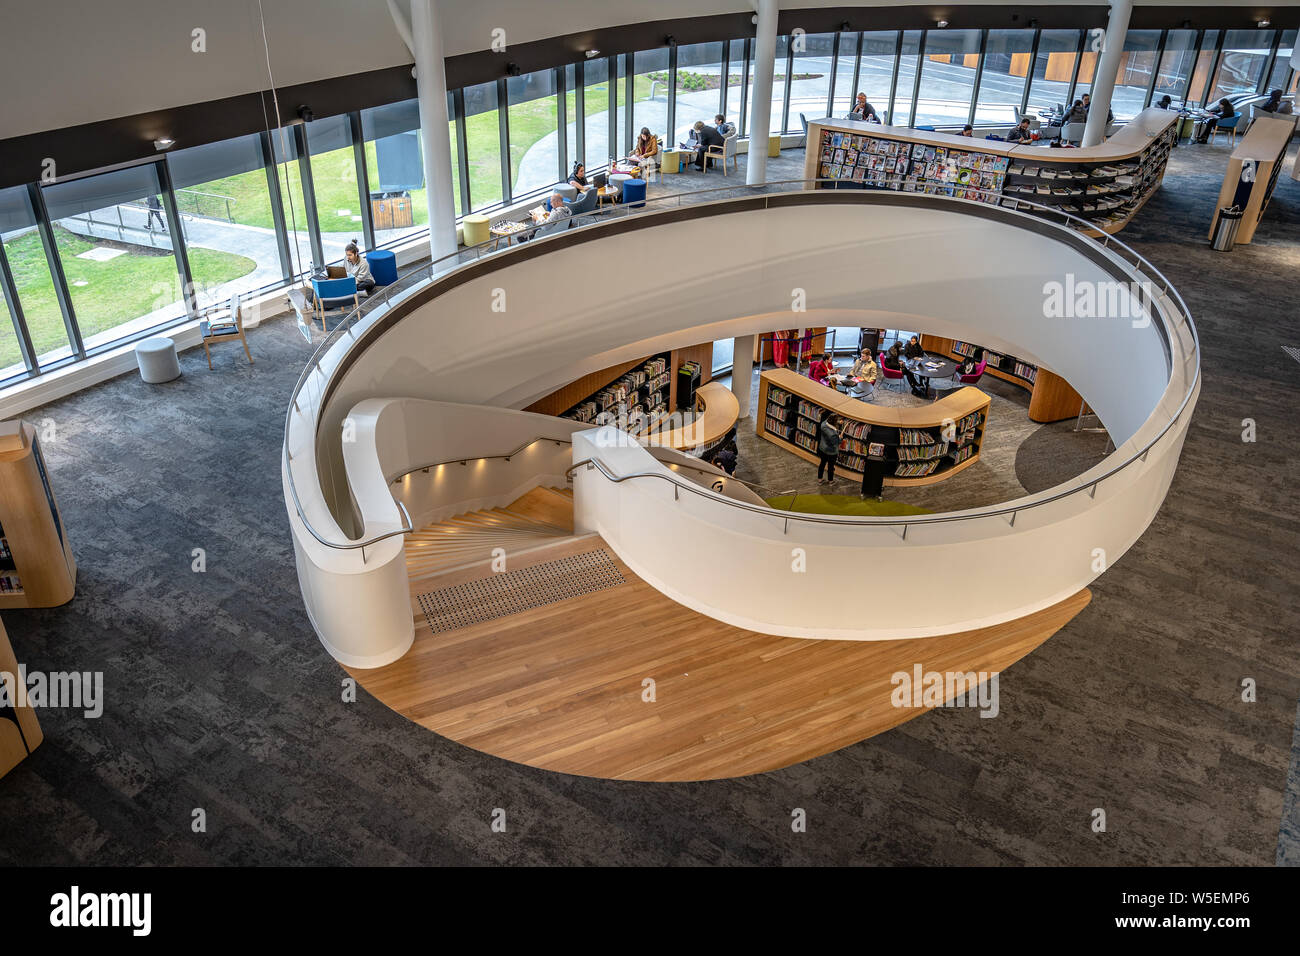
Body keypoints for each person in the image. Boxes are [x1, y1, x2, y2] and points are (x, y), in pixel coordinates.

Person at [816, 411, 842, 485]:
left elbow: (829, 423)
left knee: (822, 464)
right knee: (830, 466)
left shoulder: (823, 424)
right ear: (834, 423)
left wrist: (838, 422)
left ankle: (820, 480)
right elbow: (837, 442)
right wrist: (840, 438)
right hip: (831, 452)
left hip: (822, 448)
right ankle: (830, 481)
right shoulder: (833, 434)